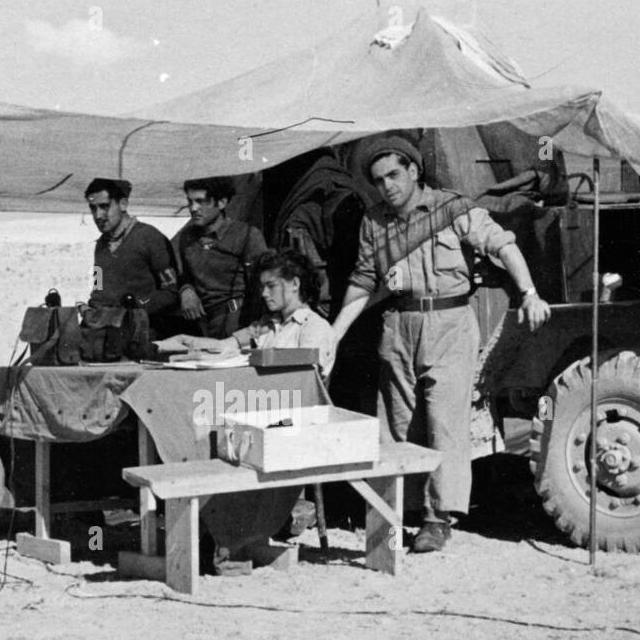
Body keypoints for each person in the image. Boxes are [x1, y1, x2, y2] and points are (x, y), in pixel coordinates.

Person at [329, 135, 551, 554]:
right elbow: (362, 282)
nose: (387, 186)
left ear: (414, 172)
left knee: (443, 423)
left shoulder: (452, 208)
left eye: (394, 175)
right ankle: (401, 513)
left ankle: (437, 519)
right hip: (398, 324)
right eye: (378, 180)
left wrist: (529, 292)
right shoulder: (374, 222)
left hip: (449, 323)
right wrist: (335, 335)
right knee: (398, 422)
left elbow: (502, 245)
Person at [154, 248, 336, 378]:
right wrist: (174, 343)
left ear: (295, 284)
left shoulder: (314, 327)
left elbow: (306, 380)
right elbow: (224, 346)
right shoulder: (266, 325)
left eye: (271, 286)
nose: (264, 294)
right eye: (262, 287)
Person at [84, 177, 183, 338]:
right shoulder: (100, 246)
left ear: (123, 204)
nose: (98, 215)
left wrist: (137, 307)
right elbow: (98, 288)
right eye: (93, 208)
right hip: (109, 332)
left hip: (147, 332)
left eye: (104, 206)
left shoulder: (150, 238)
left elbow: (171, 291)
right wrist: (90, 310)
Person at [174, 175, 268, 338]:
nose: (193, 208)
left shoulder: (246, 235)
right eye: (190, 201)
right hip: (199, 320)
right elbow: (183, 275)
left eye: (201, 201)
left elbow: (262, 284)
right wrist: (186, 290)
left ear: (222, 202)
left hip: (236, 319)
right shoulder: (187, 237)